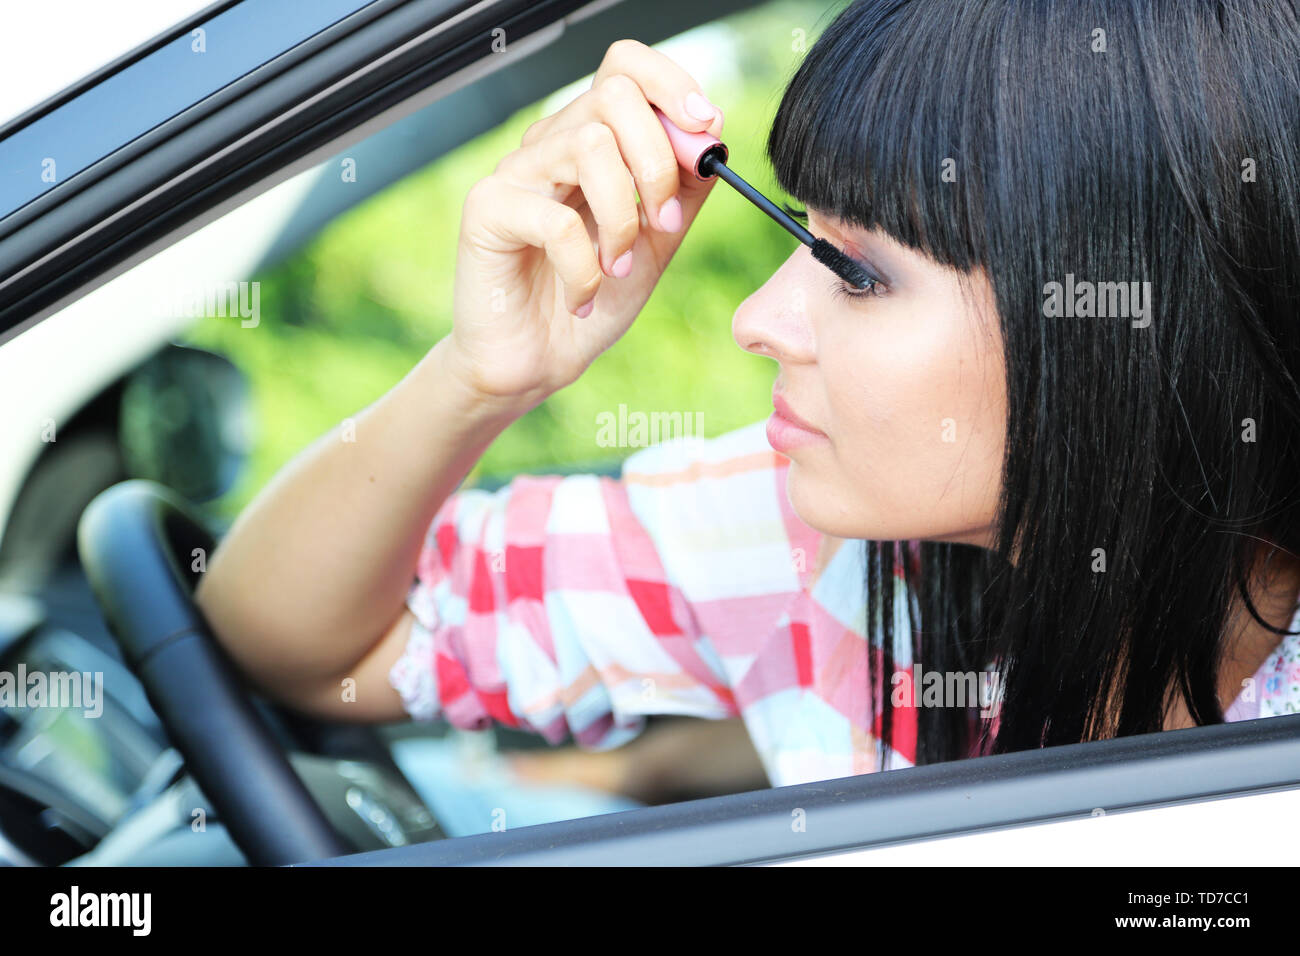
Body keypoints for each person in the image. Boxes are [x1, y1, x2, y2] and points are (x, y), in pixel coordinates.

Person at [194, 0, 1300, 793]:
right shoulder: (802, 544)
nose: (757, 321)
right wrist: (483, 375)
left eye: (857, 271)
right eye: (801, 231)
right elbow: (301, 646)